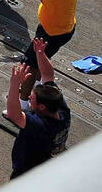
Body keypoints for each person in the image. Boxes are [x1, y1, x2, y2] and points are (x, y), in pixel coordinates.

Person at [4, 40, 70, 179]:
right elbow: (48, 75)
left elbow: (13, 115)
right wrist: (40, 54)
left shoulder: (40, 125)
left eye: (31, 99)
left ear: (42, 107)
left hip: (28, 173)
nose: (28, 98)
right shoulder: (62, 110)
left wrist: (15, 84)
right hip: (49, 166)